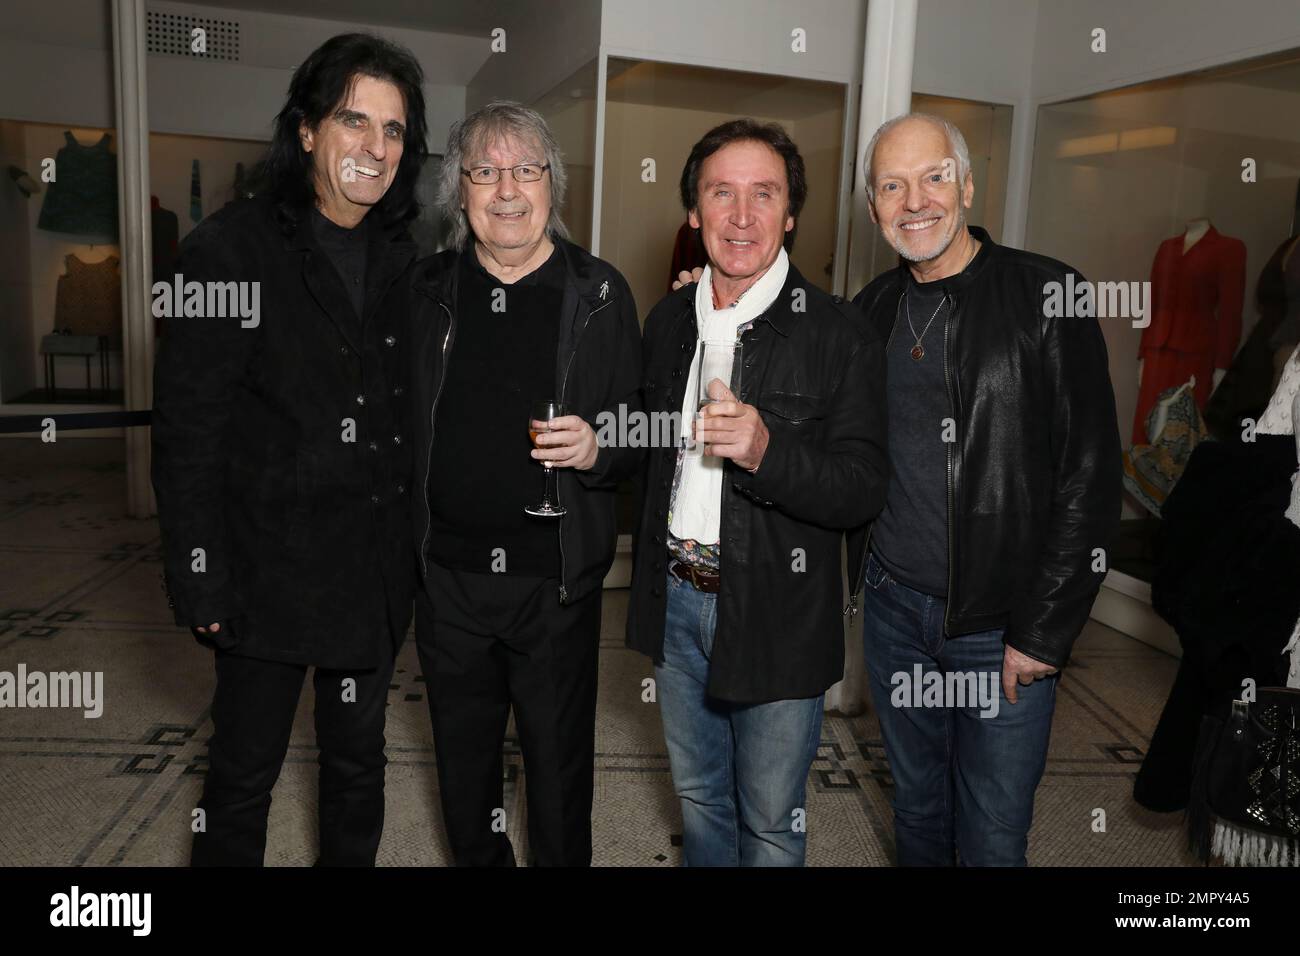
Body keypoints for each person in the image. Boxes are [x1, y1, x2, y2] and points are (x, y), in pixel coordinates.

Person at [152, 33, 428, 865]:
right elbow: (188, 431)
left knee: (355, 768)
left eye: (393, 130)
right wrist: (200, 568)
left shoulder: (403, 254)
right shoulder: (226, 250)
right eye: (354, 120)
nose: (375, 147)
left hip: (369, 573)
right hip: (264, 574)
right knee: (243, 779)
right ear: (306, 130)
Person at [849, 112, 1122, 865]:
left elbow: (1091, 476)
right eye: (892, 185)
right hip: (895, 612)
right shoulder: (870, 311)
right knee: (919, 815)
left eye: (934, 176)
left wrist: (1042, 631)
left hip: (1000, 626)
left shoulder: (1047, 294)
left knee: (993, 836)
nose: (916, 201)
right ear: (874, 208)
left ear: (968, 184)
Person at [628, 118, 888, 866]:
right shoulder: (668, 319)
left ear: (791, 214)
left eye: (764, 194)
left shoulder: (839, 334)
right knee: (702, 802)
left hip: (779, 609)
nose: (742, 216)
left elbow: (863, 490)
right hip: (677, 599)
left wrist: (768, 451)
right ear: (693, 211)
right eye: (722, 193)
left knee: (772, 821)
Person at [409, 102, 642, 866]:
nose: (507, 189)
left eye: (527, 169)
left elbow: (641, 432)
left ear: (554, 186)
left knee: (559, 769)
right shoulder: (426, 290)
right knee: (465, 772)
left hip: (555, 584)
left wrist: (600, 447)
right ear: (459, 191)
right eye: (485, 171)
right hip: (447, 579)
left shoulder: (602, 295)